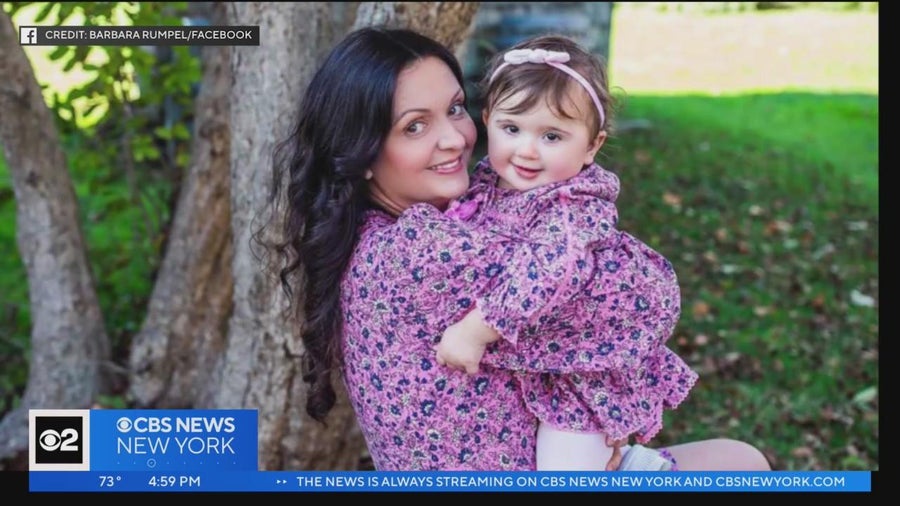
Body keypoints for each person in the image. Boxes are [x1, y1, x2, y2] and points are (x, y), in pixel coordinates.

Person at [267, 25, 771, 472]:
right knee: (743, 466)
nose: (455, 140)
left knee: (741, 459)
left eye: (455, 109)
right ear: (362, 153)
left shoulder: (402, 225)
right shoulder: (415, 253)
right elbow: (647, 294)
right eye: (414, 126)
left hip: (545, 450)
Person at [433, 34, 694, 471]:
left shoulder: (573, 206)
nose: (527, 150)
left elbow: (551, 269)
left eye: (552, 136)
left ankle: (634, 471)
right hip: (541, 366)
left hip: (580, 381)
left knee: (563, 473)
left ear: (592, 146)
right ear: (488, 120)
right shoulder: (489, 182)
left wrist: (477, 329)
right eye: (511, 128)